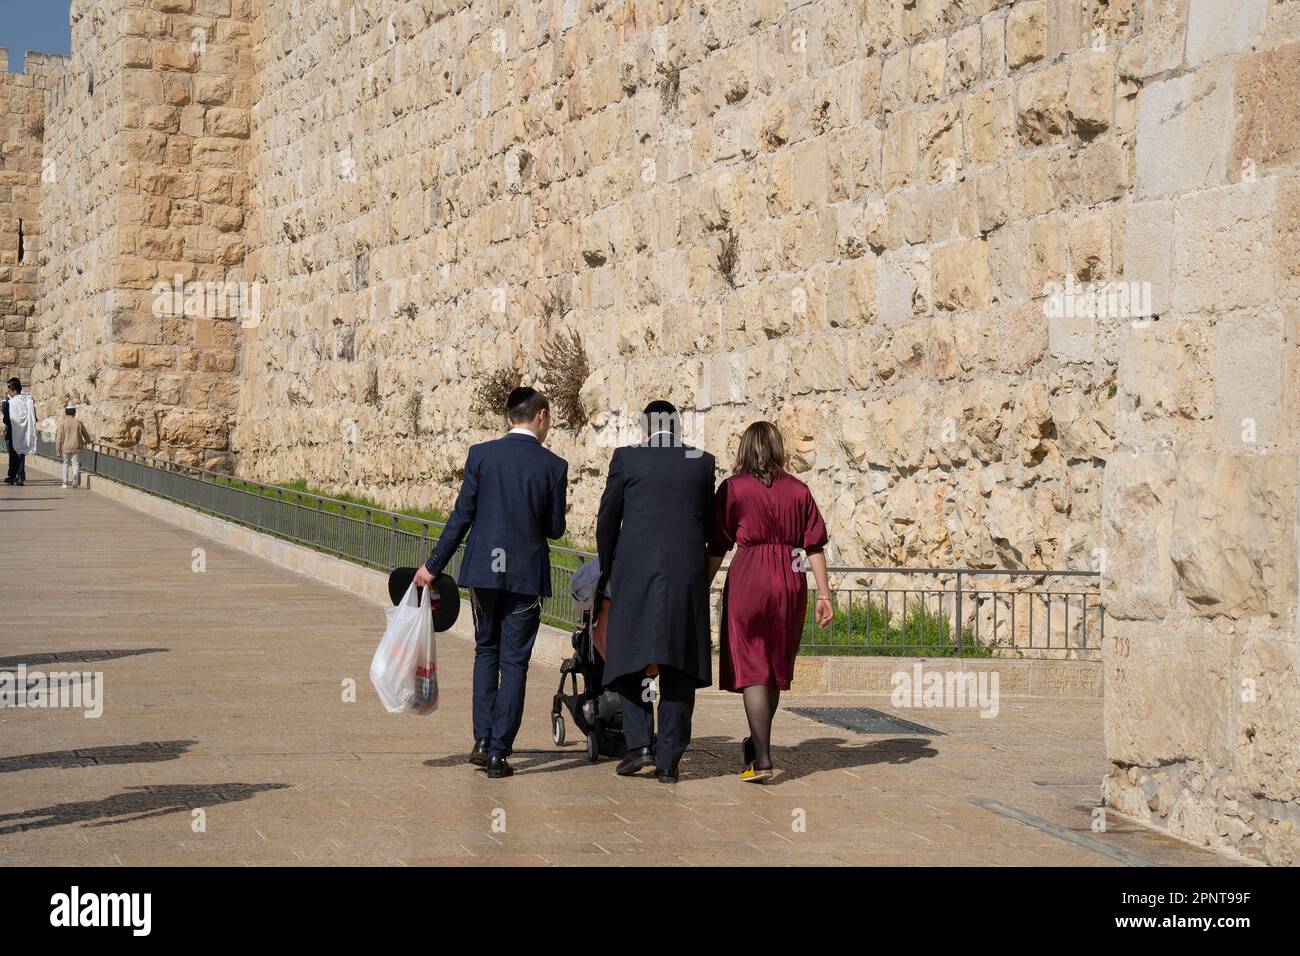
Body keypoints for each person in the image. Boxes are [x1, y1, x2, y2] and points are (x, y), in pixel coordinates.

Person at [415, 386, 567, 779]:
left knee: (486, 653)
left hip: (484, 573)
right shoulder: (554, 466)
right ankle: (500, 752)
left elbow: (461, 516)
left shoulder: (481, 455)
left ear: (508, 417)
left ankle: (481, 740)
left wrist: (432, 566)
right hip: (526, 576)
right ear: (542, 416)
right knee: (515, 661)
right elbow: (554, 529)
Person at [596, 400, 715, 784]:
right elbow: (709, 525)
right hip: (685, 581)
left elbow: (607, 520)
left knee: (630, 659)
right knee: (680, 667)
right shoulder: (702, 462)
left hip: (636, 577)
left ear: (645, 429)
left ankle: (639, 744)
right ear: (677, 429)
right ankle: (668, 760)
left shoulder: (627, 459)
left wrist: (608, 567)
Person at [708, 421, 832, 783]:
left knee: (752, 666)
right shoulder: (798, 490)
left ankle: (761, 758)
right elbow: (815, 545)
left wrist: (701, 584)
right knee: (774, 664)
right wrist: (824, 594)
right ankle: (759, 745)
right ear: (778, 448)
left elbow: (718, 545)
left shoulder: (733, 489)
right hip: (791, 578)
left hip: (749, 576)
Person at [3, 378, 36, 487]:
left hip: (12, 433)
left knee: (13, 455)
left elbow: (6, 420)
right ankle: (20, 476)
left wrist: (4, 402)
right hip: (24, 433)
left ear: (13, 391)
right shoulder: (27, 401)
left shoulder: (10, 403)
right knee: (21, 454)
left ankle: (12, 476)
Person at [56, 405, 93, 489]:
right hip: (76, 446)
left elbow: (58, 438)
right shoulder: (78, 422)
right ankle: (75, 477)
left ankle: (65, 483)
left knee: (65, 463)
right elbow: (85, 434)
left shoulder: (62, 423)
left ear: (65, 413)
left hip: (65, 447)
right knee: (75, 463)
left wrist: (58, 450)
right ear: (74, 413)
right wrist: (88, 441)